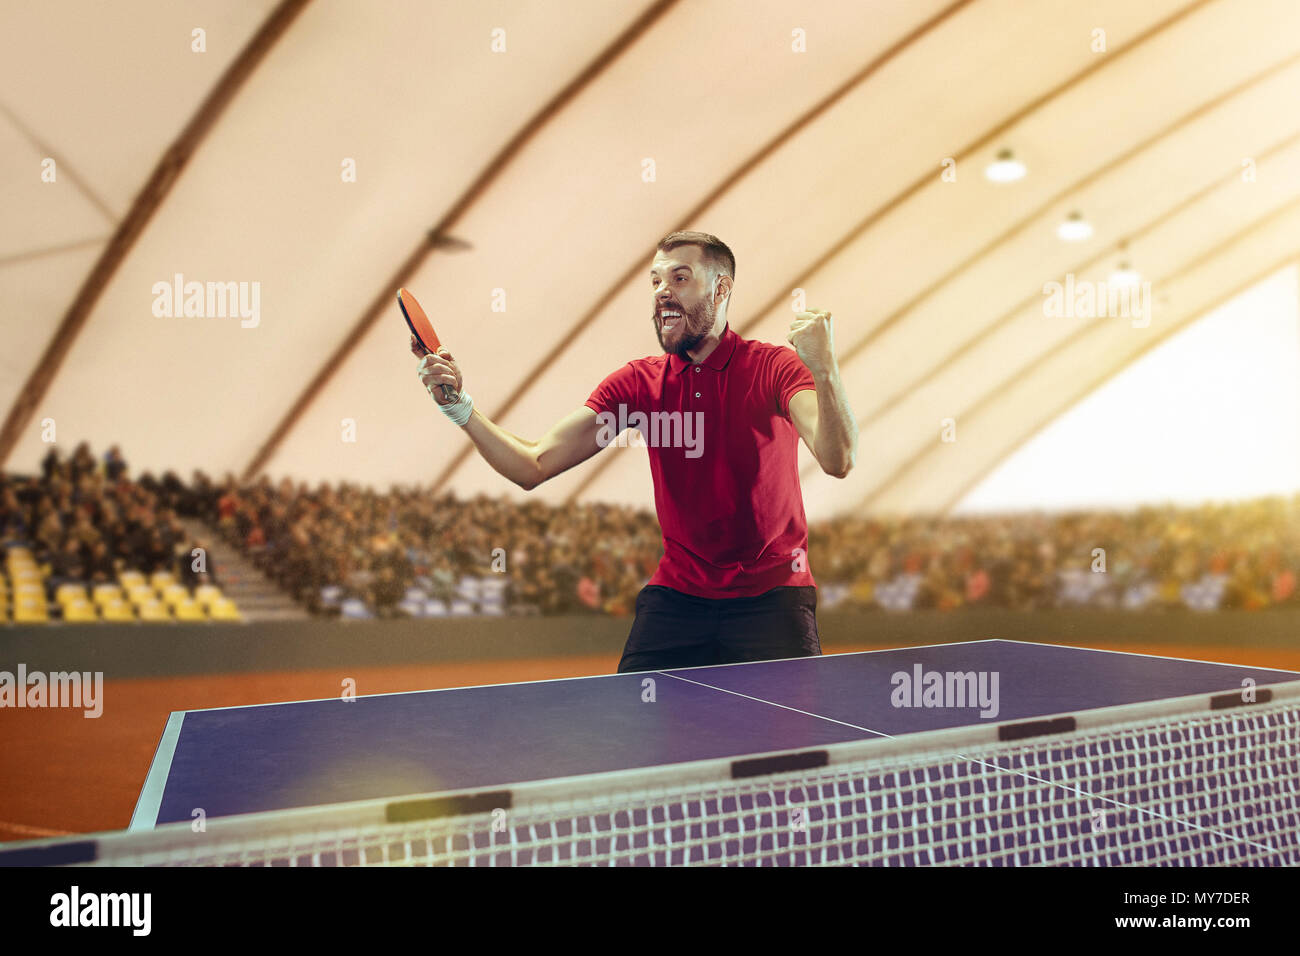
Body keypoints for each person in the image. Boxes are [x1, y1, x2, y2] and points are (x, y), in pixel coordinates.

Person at [413, 231, 858, 671]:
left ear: (721, 289)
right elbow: (534, 464)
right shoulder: (638, 385)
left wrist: (824, 370)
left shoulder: (773, 368)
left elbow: (837, 459)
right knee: (636, 729)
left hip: (773, 598)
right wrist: (458, 407)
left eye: (680, 278)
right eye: (655, 281)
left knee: (796, 741)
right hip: (679, 600)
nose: (663, 292)